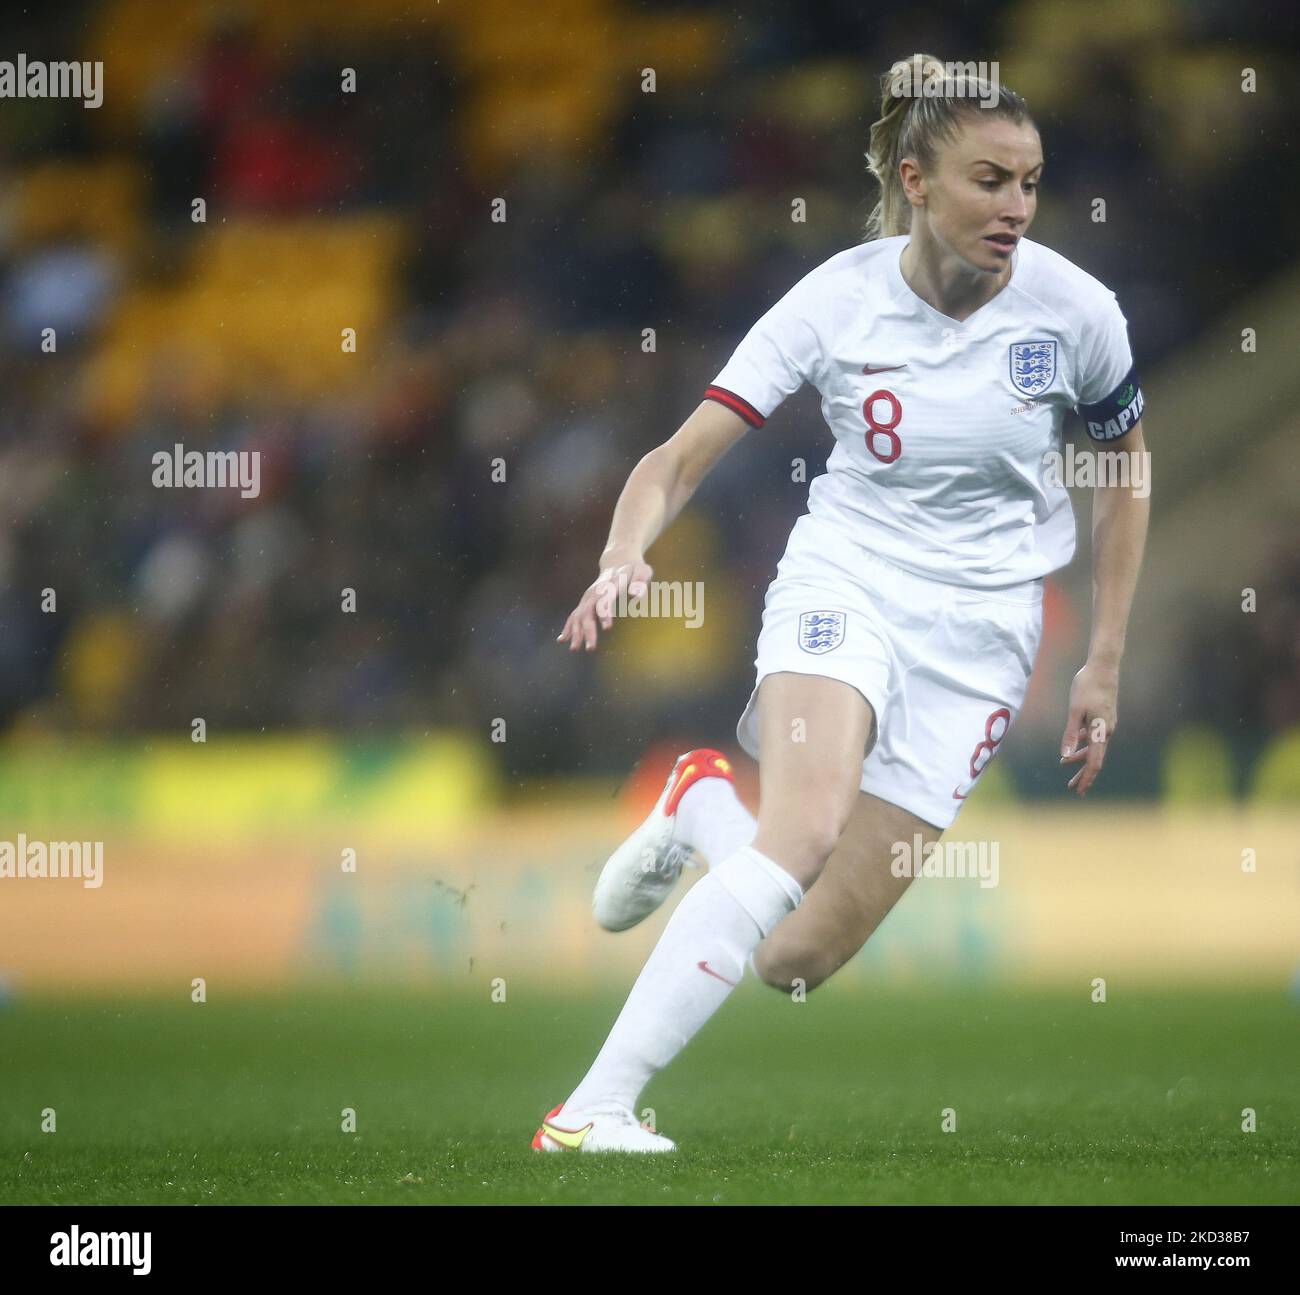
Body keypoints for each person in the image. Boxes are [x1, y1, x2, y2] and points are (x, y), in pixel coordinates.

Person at [535, 54, 1150, 1153]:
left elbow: (1124, 473)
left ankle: (700, 804)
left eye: (1029, 182)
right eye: (988, 181)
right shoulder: (833, 299)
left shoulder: (1078, 314)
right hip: (849, 580)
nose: (1015, 208)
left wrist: (1102, 654)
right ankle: (589, 1110)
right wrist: (627, 550)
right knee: (806, 826)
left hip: (985, 635)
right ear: (915, 181)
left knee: (795, 957)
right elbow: (677, 458)